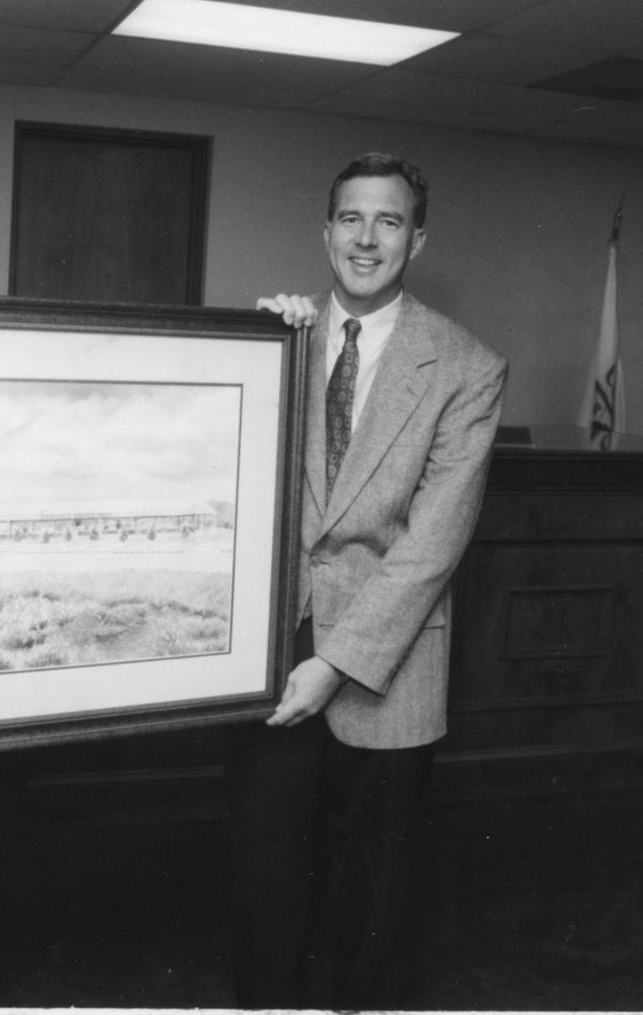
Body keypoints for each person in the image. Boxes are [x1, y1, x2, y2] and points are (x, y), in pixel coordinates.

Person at [226, 152, 507, 1009]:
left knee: (376, 896)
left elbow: (433, 544)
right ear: (325, 231)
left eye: (389, 220)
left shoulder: (466, 365)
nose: (366, 237)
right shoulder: (274, 340)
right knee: (266, 872)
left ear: (417, 239)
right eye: (351, 217)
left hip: (388, 660)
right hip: (269, 644)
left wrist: (337, 661)